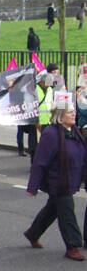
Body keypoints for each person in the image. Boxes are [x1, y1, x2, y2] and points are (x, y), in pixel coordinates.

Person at [24, 103, 86, 260]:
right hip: (58, 181)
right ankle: (73, 246)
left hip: (70, 179)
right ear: (60, 116)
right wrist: (33, 186)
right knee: (67, 210)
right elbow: (40, 161)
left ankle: (33, 233)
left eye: (73, 112)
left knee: (53, 208)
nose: (74, 115)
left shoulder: (74, 131)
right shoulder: (51, 134)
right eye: (70, 112)